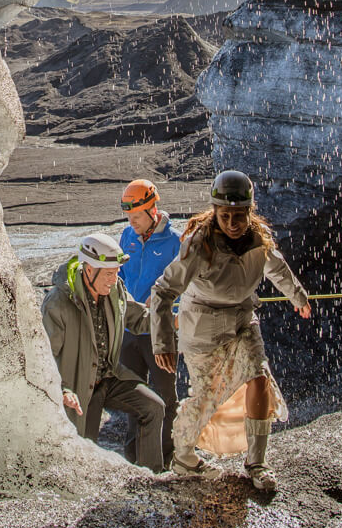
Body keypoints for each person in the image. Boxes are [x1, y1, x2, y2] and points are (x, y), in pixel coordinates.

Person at [148, 169, 311, 490]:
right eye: (225, 216)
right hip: (203, 329)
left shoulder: (257, 240)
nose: (233, 223)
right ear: (215, 212)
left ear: (249, 212)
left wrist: (298, 296)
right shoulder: (199, 246)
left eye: (239, 215)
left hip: (242, 321)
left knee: (259, 379)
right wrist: (163, 342)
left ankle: (257, 463)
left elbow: (276, 266)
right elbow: (163, 291)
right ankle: (183, 456)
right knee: (207, 396)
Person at [41, 231, 167, 472]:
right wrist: (63, 390)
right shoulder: (58, 303)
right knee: (83, 456)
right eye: (109, 273)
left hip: (110, 377)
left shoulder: (115, 290)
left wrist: (172, 322)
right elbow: (45, 356)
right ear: (89, 270)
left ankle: (151, 477)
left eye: (116, 273)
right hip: (78, 387)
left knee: (153, 407)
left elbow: (139, 318)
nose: (114, 279)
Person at [116, 178, 181, 468]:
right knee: (133, 393)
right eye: (129, 217)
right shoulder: (126, 238)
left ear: (153, 210)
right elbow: (118, 278)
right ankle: (135, 457)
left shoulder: (176, 242)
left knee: (166, 395)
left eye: (137, 217)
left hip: (160, 332)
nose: (132, 223)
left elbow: (188, 281)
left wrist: (167, 301)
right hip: (129, 330)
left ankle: (167, 455)